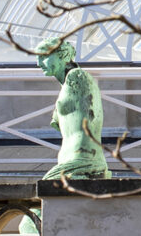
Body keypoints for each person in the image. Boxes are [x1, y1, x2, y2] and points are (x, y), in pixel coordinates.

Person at [35, 38, 110, 181]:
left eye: (44, 56)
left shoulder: (77, 76)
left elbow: (91, 119)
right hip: (71, 159)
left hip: (83, 159)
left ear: (63, 55)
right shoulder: (66, 85)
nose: (39, 63)